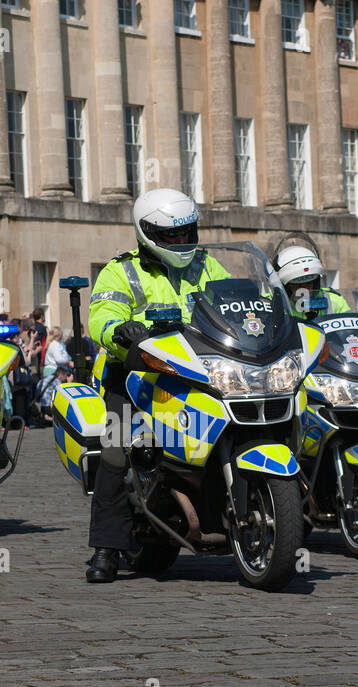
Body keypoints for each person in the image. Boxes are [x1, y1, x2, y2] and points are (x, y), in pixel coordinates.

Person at [84, 187, 230, 582]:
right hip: (136, 376)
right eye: (172, 235)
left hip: (201, 374)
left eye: (187, 232)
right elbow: (100, 315)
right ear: (147, 232)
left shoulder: (208, 266)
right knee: (116, 448)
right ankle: (106, 548)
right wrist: (119, 329)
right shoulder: (122, 270)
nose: (182, 241)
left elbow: (237, 302)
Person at [274, 245, 350, 317]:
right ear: (284, 286)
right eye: (299, 285)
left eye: (309, 283)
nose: (306, 289)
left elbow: (350, 329)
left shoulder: (333, 300)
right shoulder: (270, 303)